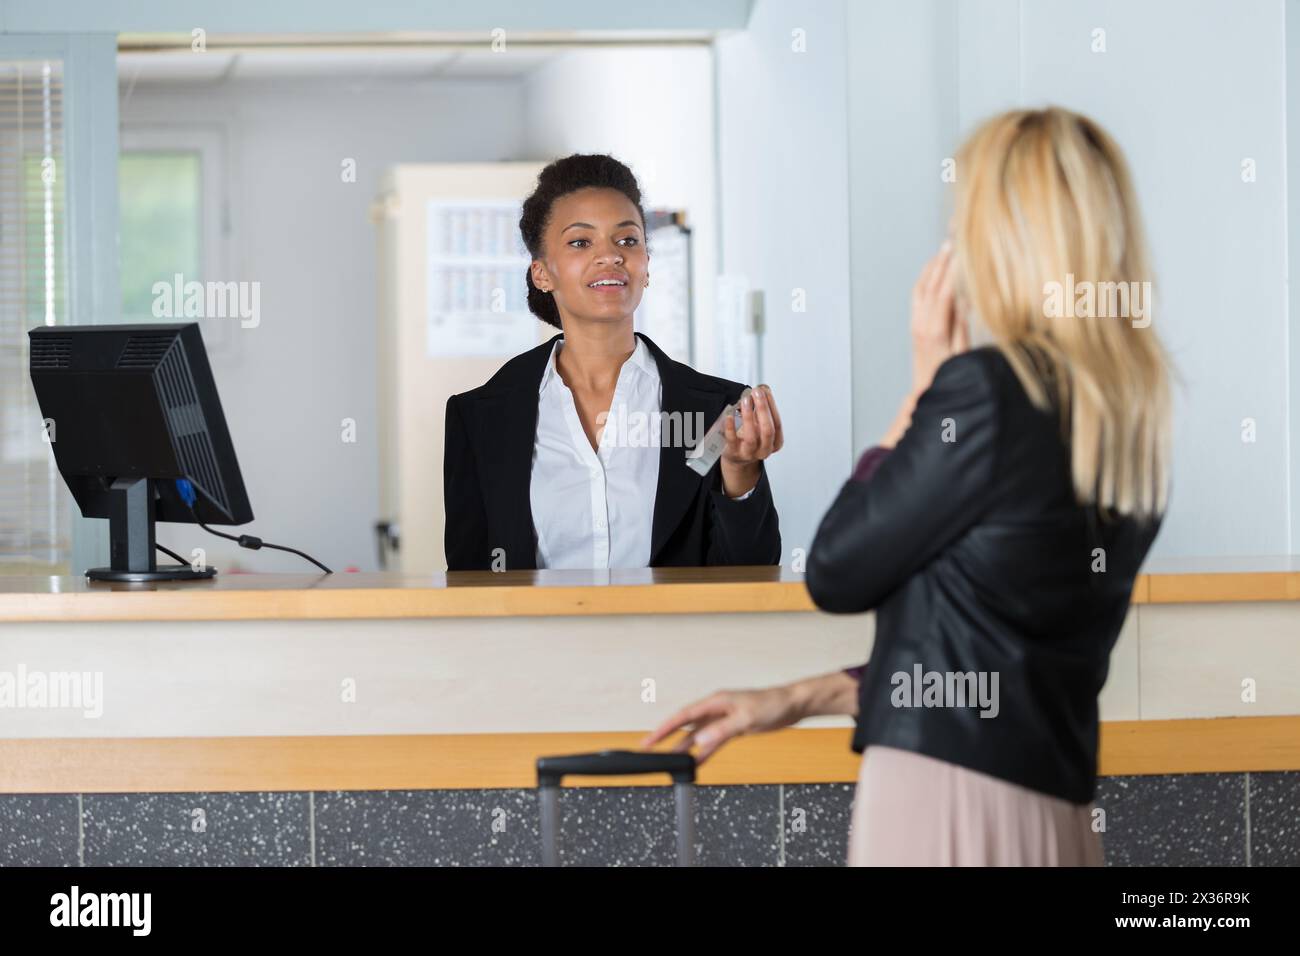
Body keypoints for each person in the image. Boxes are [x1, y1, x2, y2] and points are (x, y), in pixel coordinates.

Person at [642, 107, 1173, 866]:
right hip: (1052, 810)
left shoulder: (984, 392)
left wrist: (920, 393)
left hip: (946, 802)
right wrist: (793, 699)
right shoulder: (1123, 418)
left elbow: (835, 569)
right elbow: (994, 658)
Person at [444, 154, 782, 571]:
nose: (611, 256)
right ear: (541, 274)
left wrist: (740, 474)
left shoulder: (716, 411)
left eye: (627, 240)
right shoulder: (481, 417)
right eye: (581, 242)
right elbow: (469, 582)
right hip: (537, 637)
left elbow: (750, 575)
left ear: (646, 266)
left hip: (672, 637)